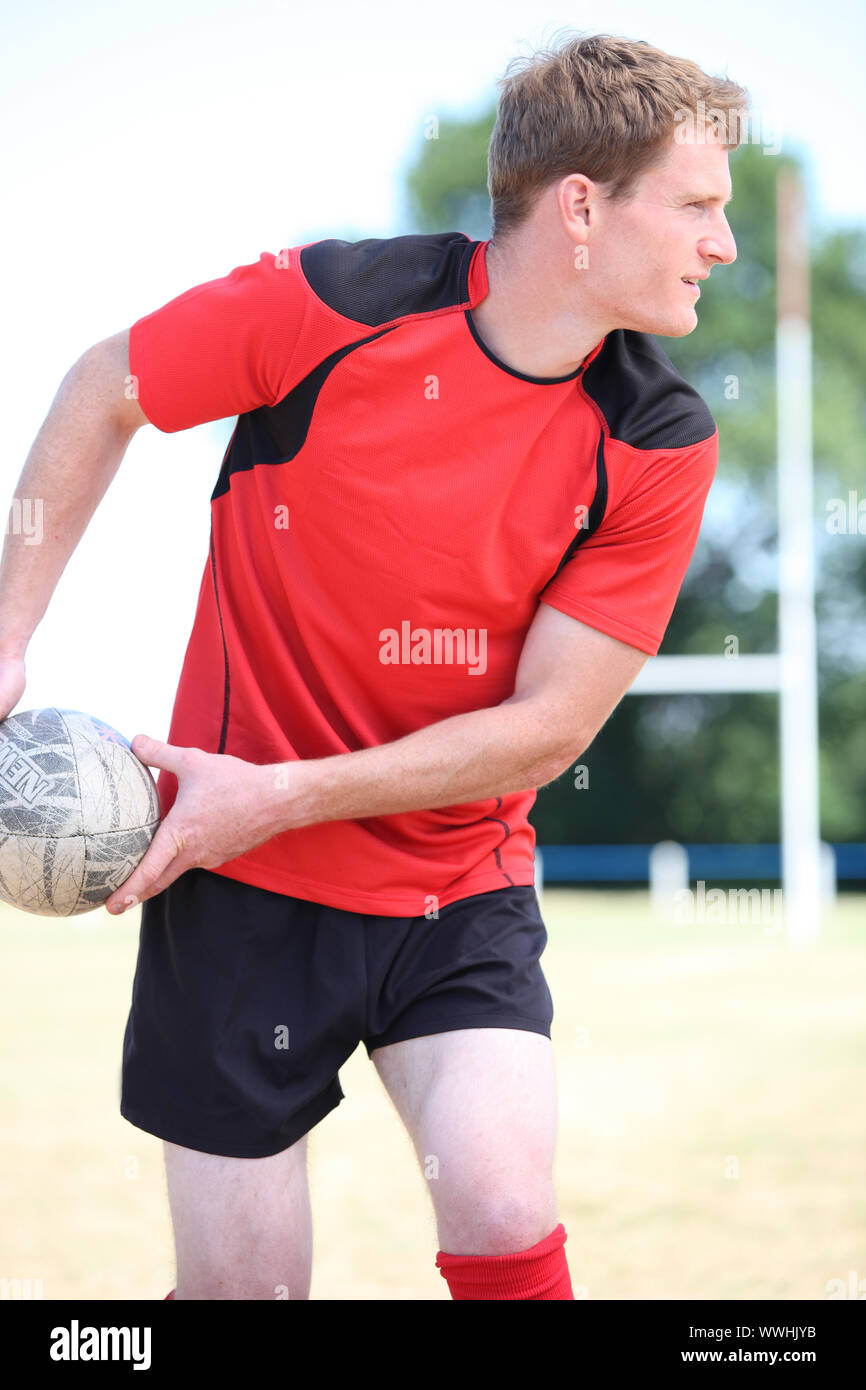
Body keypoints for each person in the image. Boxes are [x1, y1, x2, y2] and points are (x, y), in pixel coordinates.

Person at [0, 31, 747, 1300]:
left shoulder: (655, 436)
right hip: (231, 881)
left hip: (454, 885)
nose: (719, 244)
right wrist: (8, 634)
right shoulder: (331, 306)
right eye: (695, 206)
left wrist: (280, 790)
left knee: (506, 1212)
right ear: (581, 207)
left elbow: (544, 729)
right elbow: (106, 384)